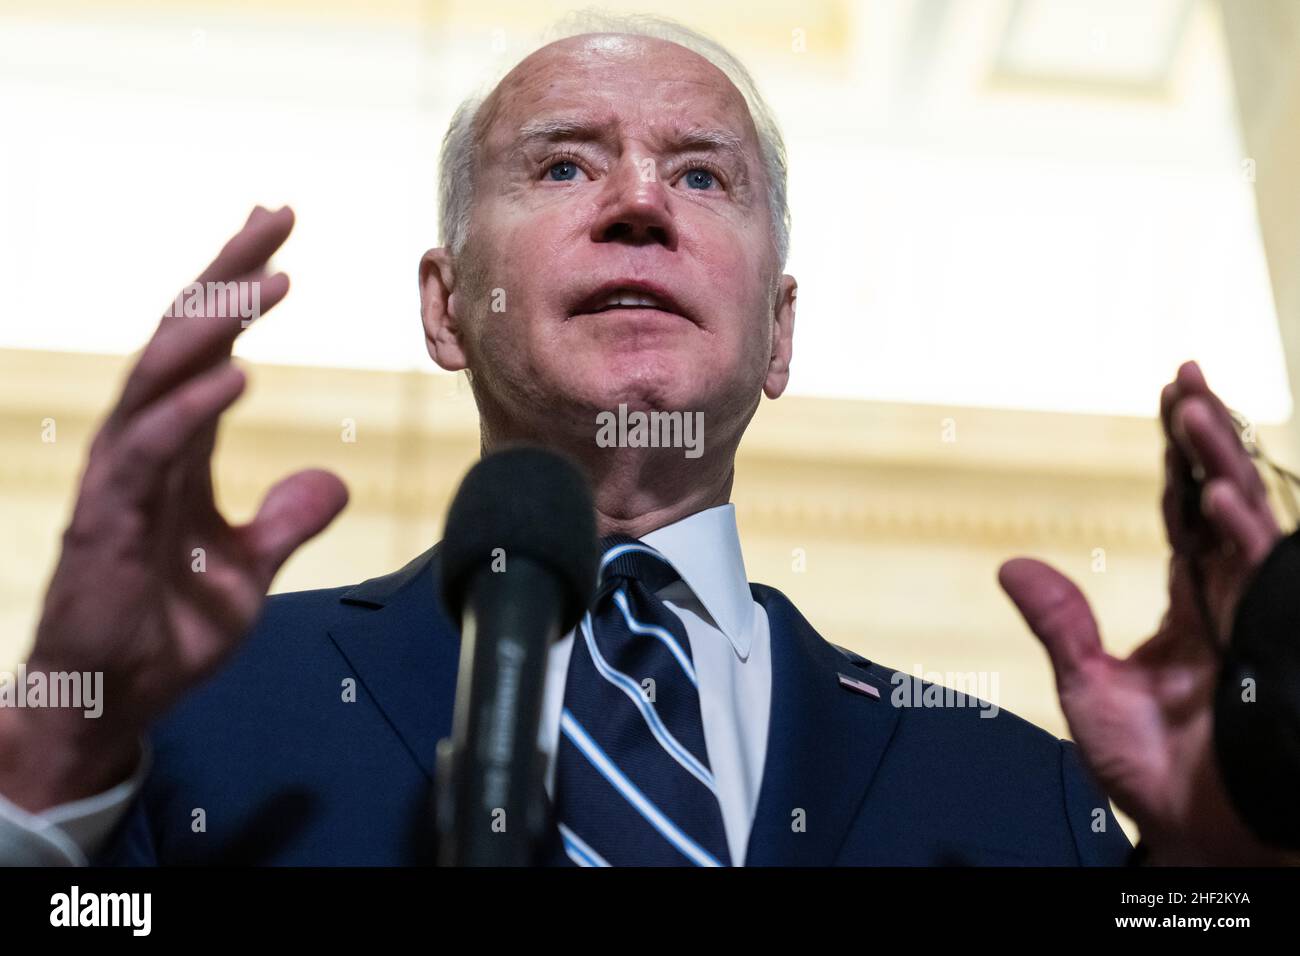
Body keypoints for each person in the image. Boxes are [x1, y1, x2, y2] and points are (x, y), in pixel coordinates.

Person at [0, 14, 1291, 866]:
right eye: (562, 167)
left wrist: (1231, 865)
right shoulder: (195, 720)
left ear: (779, 335)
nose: (635, 203)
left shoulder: (1021, 797)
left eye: (703, 175)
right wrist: (57, 749)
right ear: (446, 307)